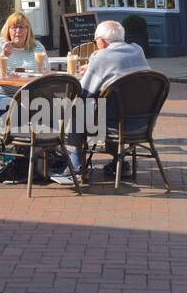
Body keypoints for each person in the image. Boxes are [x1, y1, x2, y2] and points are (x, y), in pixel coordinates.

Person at [56, 20, 153, 184]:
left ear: (101, 41)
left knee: (78, 108)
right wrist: (94, 68)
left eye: (96, 42)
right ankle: (120, 162)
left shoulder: (101, 56)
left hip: (114, 123)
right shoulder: (137, 50)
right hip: (142, 121)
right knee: (111, 106)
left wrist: (93, 66)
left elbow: (84, 92)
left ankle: (76, 163)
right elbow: (117, 69)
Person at [0, 12, 48, 120]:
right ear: (8, 30)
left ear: (28, 30)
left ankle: (47, 136)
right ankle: (6, 135)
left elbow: (46, 71)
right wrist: (3, 55)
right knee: (16, 109)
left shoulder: (37, 47)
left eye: (21, 27)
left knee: (51, 108)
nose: (18, 31)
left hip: (27, 95)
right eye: (14, 27)